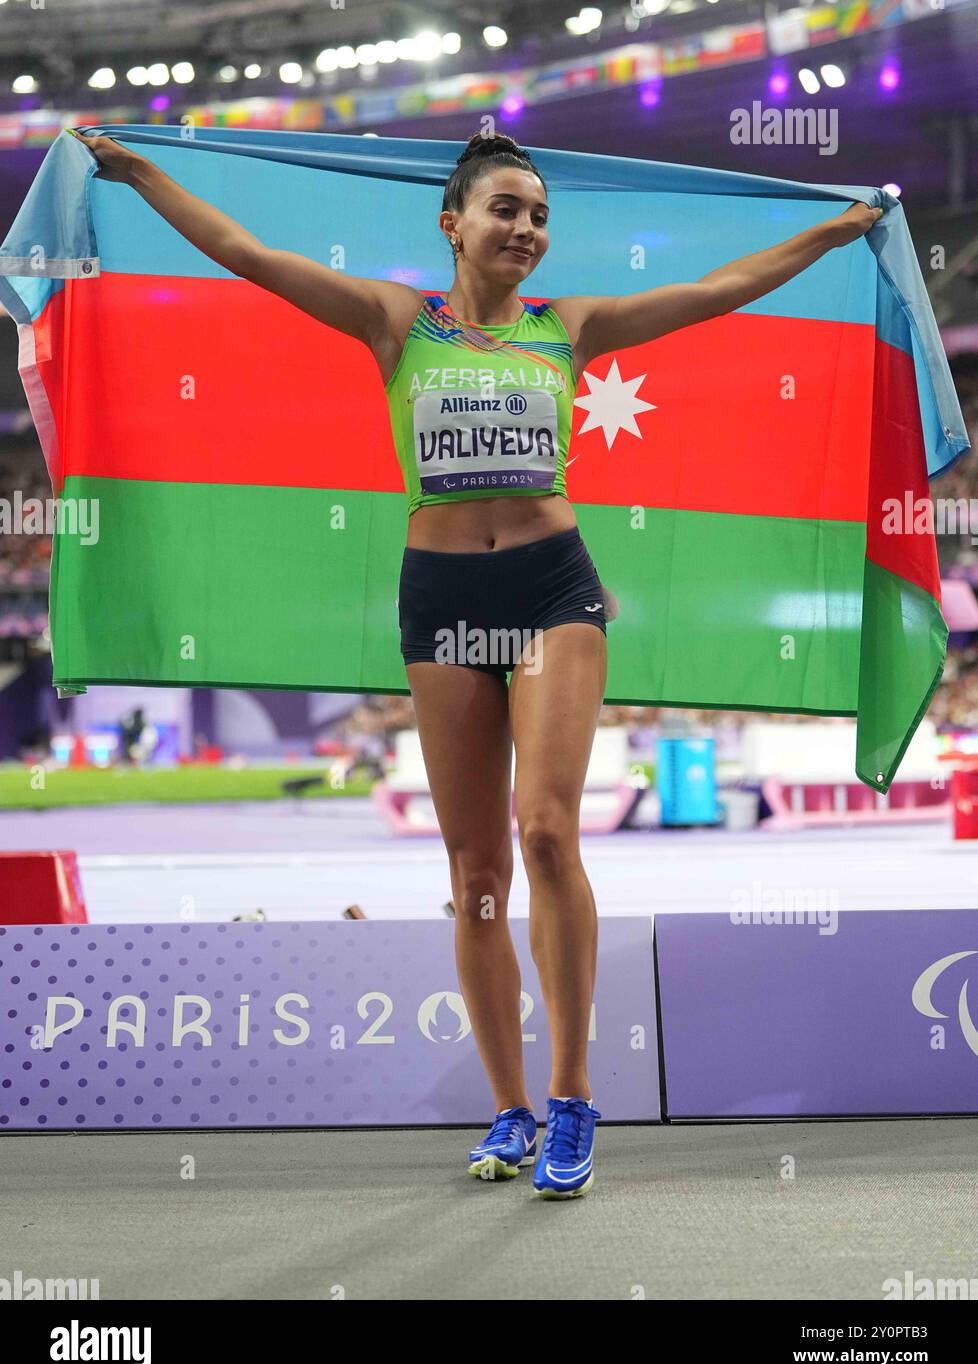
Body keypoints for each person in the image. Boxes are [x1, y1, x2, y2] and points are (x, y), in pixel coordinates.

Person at [70, 126, 882, 1199]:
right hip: (442, 600)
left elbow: (721, 288)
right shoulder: (395, 321)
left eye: (540, 215)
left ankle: (577, 1095)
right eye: (506, 209)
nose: (527, 230)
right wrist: (141, 173)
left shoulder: (571, 326)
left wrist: (837, 231)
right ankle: (510, 1107)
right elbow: (242, 250)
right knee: (476, 876)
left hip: (553, 589)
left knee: (547, 829)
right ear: (451, 223)